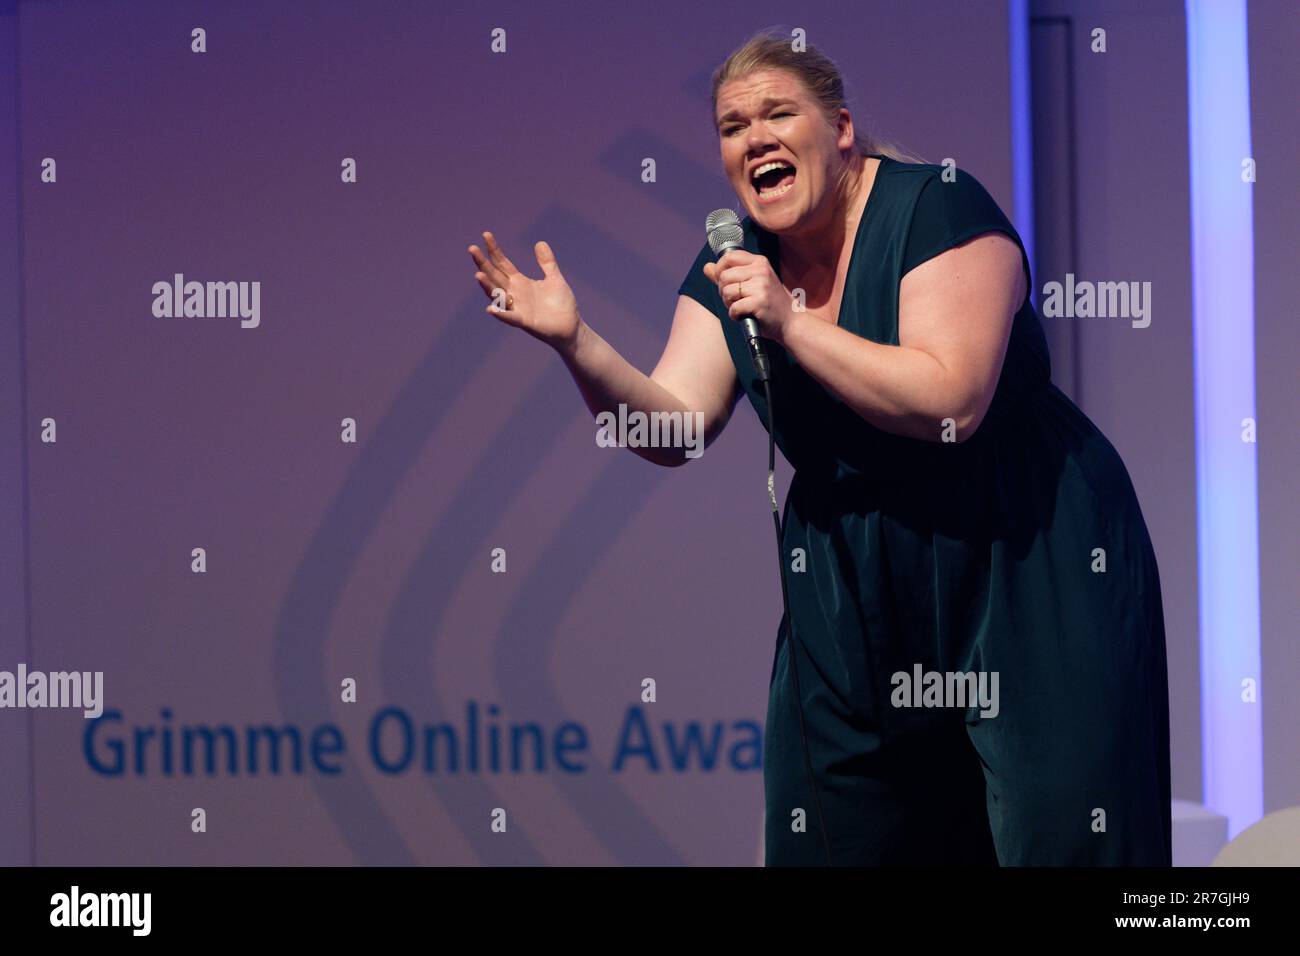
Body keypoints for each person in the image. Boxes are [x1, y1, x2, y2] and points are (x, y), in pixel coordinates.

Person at [467, 28, 1172, 866]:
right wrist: (576, 342)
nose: (754, 139)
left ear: (839, 129)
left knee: (1061, 833)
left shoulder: (936, 208)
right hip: (851, 580)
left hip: (1022, 553)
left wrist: (791, 322)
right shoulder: (734, 264)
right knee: (836, 832)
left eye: (778, 115)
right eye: (733, 127)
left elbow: (950, 400)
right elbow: (675, 428)